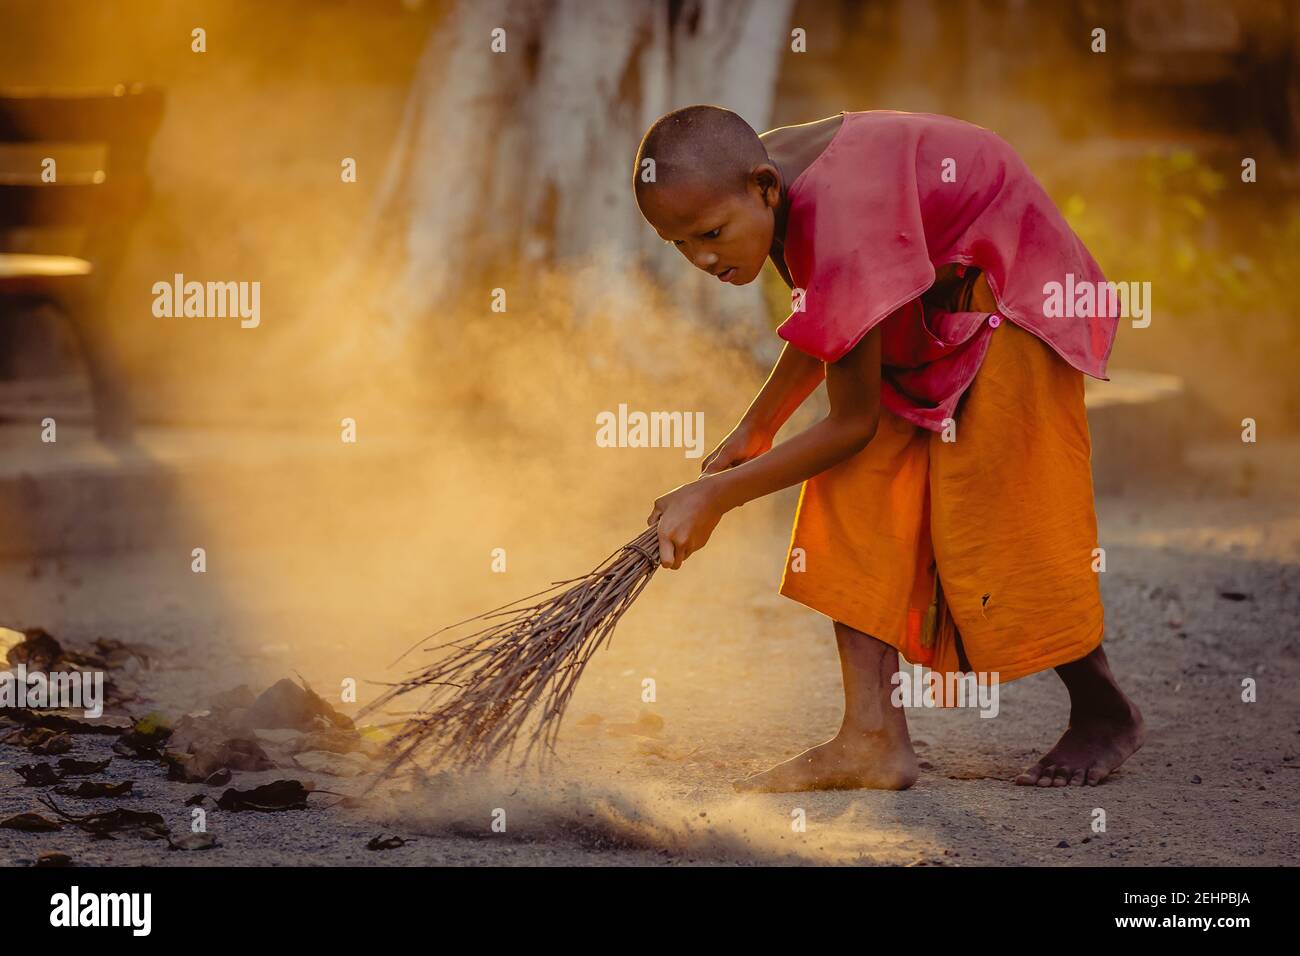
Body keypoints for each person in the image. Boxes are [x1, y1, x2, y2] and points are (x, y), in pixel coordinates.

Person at [633, 106, 1144, 792]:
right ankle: (871, 738)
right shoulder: (766, 177)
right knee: (854, 492)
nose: (702, 258)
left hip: (1012, 290)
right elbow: (833, 314)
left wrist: (714, 496)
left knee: (998, 513)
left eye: (712, 234)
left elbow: (851, 422)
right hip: (926, 297)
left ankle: (1103, 711)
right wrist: (758, 427)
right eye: (680, 244)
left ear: (763, 187)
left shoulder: (833, 209)